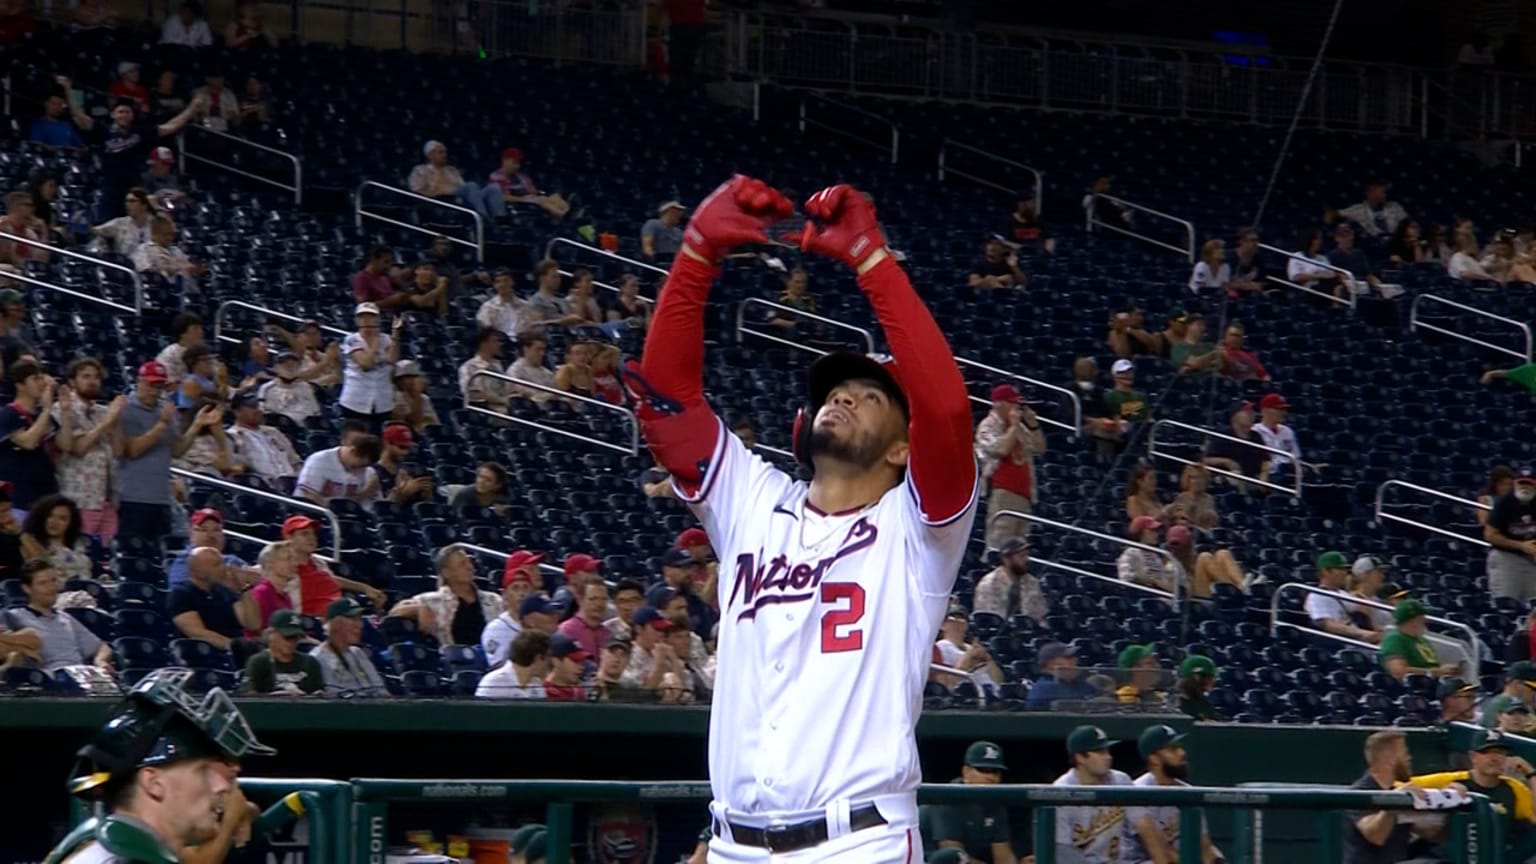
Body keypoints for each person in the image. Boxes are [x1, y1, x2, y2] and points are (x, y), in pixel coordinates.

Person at [627, 178, 976, 860]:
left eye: (869, 397)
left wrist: (872, 262)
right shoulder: (752, 502)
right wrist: (696, 254)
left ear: (903, 447)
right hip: (733, 844)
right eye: (836, 392)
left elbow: (948, 411)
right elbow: (665, 401)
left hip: (857, 841)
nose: (843, 398)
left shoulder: (920, 530)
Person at [45, 668, 273, 864]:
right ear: (154, 783)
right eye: (203, 770)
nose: (223, 786)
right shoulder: (120, 857)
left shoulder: (113, 848)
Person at [1129, 725, 1221, 864]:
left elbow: (1205, 847)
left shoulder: (1188, 792)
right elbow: (1163, 853)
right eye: (1173, 749)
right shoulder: (1138, 792)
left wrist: (1218, 861)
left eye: (1180, 747)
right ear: (1154, 759)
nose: (1182, 753)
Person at [974, 383, 1045, 550]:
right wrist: (1013, 426)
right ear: (999, 404)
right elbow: (1001, 450)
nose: (1016, 408)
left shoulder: (1019, 426)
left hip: (1025, 493)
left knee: (1019, 548)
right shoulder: (987, 426)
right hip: (1003, 493)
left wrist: (1033, 425)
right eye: (1012, 403)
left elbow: (1040, 448)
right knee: (1001, 546)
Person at [921, 740, 1015, 864]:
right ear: (966, 771)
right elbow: (955, 855)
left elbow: (1003, 857)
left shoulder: (995, 802)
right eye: (983, 770)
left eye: (995, 771)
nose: (991, 777)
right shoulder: (947, 798)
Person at [1053, 725, 1133, 864]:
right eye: (1100, 752)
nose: (1108, 757)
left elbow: (1141, 825)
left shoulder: (1121, 780)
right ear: (1080, 757)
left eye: (1107, 751)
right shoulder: (1062, 791)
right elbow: (1062, 851)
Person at [310, 597, 386, 697]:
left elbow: (380, 689)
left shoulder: (358, 653)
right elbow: (332, 698)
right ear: (334, 623)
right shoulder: (318, 658)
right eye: (353, 619)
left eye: (360, 619)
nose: (359, 625)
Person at [244, 609, 323, 695]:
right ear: (272, 634)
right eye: (287, 637)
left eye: (296, 638)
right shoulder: (259, 662)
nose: (292, 643)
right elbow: (249, 695)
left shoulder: (309, 663)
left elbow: (319, 694)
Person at [1485, 471, 1536, 604]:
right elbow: (1490, 534)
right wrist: (1521, 545)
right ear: (1515, 484)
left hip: (1531, 561)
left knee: (1532, 607)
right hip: (1505, 558)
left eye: (1529, 484)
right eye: (1521, 484)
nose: (1525, 487)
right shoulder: (1505, 503)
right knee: (1506, 602)